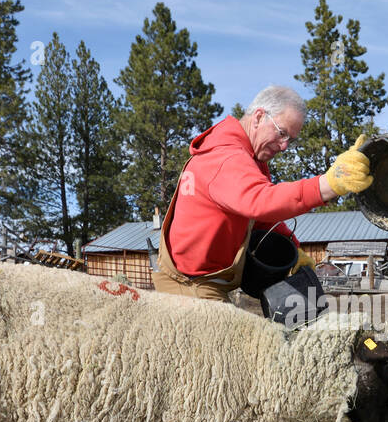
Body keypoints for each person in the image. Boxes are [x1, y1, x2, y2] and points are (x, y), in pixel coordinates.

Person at [153, 85, 373, 301]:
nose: (285, 146)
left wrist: (294, 249)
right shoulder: (227, 158)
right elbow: (261, 201)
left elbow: (258, 219)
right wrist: (327, 185)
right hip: (190, 285)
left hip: (203, 281)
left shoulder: (245, 158)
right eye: (282, 133)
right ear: (258, 117)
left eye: (291, 140)